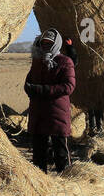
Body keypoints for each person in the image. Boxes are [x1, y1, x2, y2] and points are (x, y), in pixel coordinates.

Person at [23, 28, 75, 172]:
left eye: (49, 43)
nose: (46, 45)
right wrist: (29, 89)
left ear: (56, 44)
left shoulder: (65, 61)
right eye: (44, 42)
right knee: (39, 156)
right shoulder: (37, 61)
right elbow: (29, 82)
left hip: (56, 114)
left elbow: (68, 86)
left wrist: (42, 90)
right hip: (38, 114)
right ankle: (41, 189)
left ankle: (67, 188)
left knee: (61, 155)